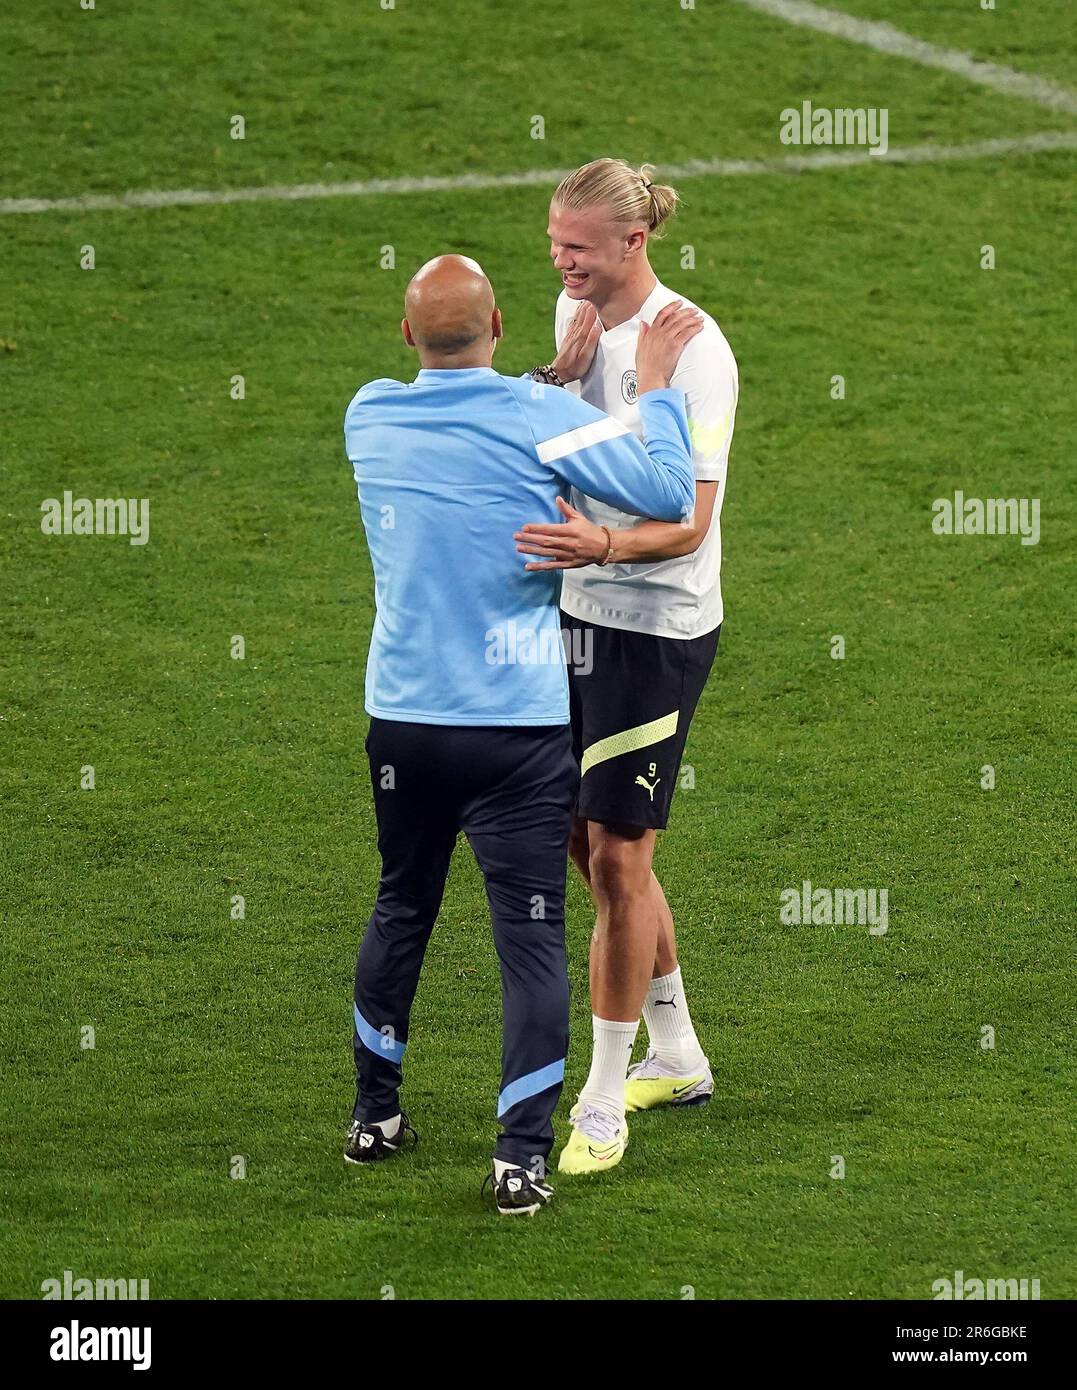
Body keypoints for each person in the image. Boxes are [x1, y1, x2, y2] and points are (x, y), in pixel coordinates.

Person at [342, 253, 702, 1214]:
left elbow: (472, 414)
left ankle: (374, 1118)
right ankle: (518, 1159)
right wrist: (653, 388)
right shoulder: (542, 422)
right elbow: (668, 495)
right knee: (532, 942)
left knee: (400, 910)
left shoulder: (368, 412)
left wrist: (542, 379)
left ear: (405, 335)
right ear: (500, 320)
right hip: (516, 730)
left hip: (403, 725)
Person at [515, 159, 739, 1175]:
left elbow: (689, 527)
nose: (560, 262)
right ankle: (678, 1049)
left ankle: (600, 1102)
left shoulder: (692, 351)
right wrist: (558, 379)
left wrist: (601, 548)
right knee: (583, 840)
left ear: (634, 243)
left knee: (619, 860)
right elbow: (554, 454)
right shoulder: (575, 325)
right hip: (572, 617)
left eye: (578, 249)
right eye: (555, 243)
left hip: (654, 631)